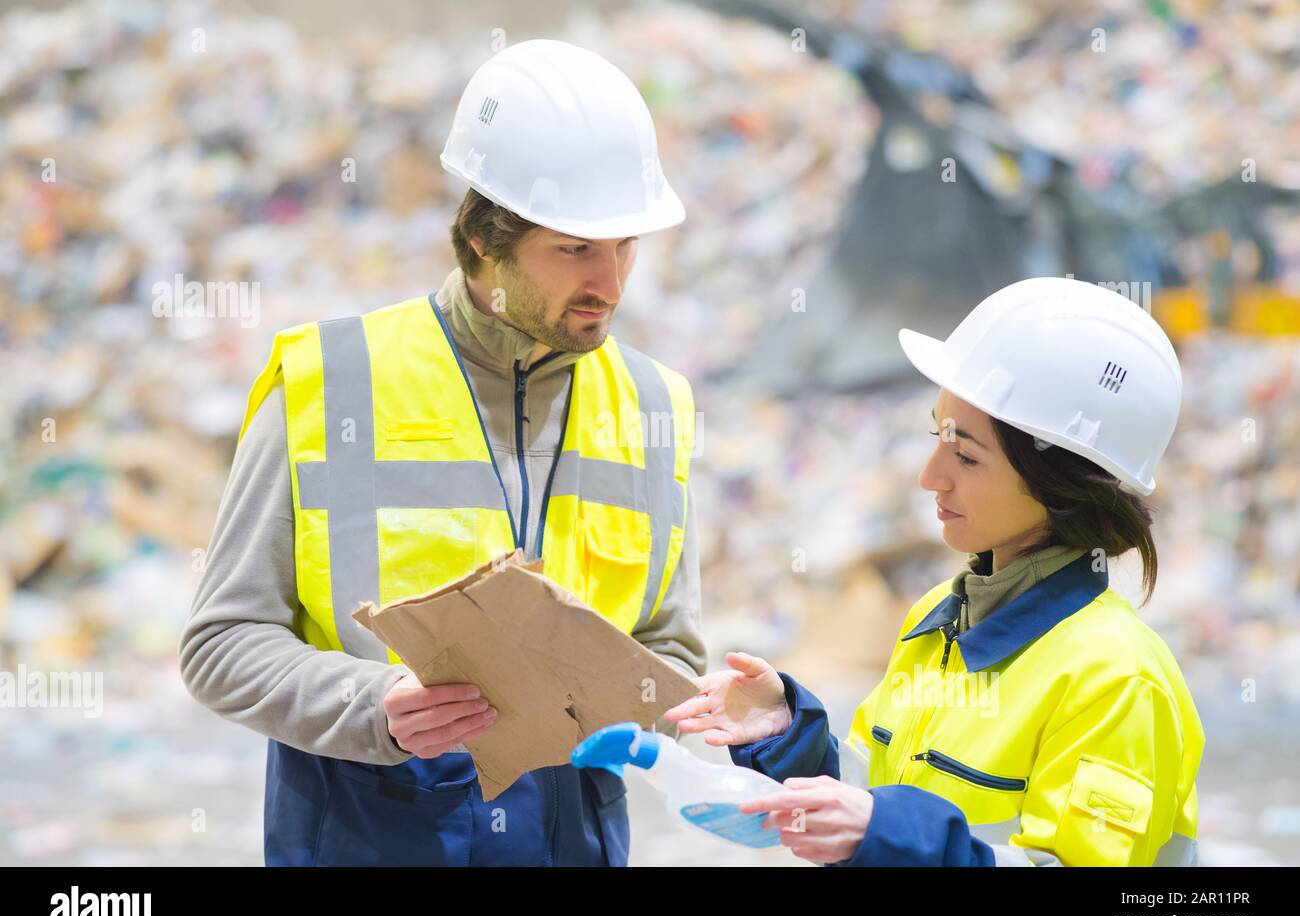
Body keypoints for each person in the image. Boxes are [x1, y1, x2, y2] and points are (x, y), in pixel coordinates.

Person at [181, 39, 704, 866]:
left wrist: (674, 716)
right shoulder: (331, 385)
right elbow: (221, 645)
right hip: (368, 835)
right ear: (486, 242)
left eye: (626, 244)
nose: (610, 281)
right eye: (575, 249)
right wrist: (374, 704)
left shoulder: (650, 406)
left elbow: (671, 650)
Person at [665, 277, 1203, 866]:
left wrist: (889, 837)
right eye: (937, 436)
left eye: (966, 455)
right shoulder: (937, 622)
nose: (930, 476)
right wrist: (788, 734)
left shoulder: (1118, 680)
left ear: (1062, 484)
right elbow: (873, 801)